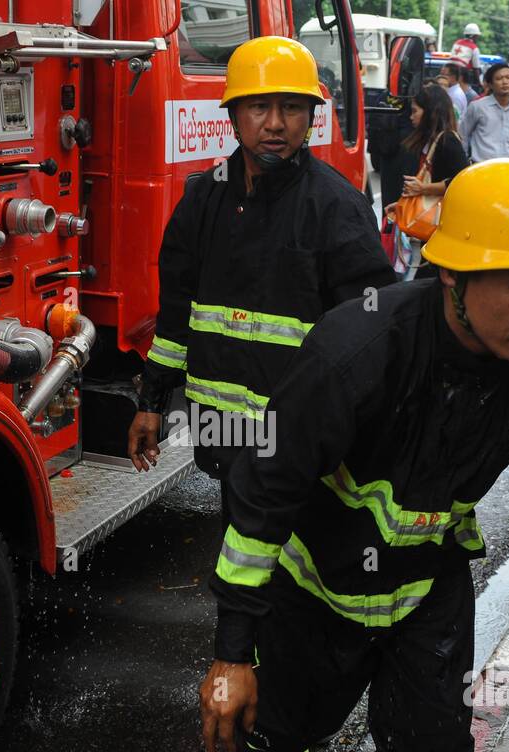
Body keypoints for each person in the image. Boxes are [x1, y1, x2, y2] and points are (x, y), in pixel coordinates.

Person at [199, 160, 509, 752]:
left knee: (425, 748)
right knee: (291, 721)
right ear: (454, 274)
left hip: (427, 586)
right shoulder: (357, 350)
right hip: (318, 583)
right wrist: (232, 652)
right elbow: (264, 496)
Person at [130, 36, 395, 504]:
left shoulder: (337, 209)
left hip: (306, 440)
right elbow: (175, 315)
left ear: (310, 118)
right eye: (258, 107)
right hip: (224, 437)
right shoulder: (202, 201)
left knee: (299, 568)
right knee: (242, 555)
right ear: (233, 117)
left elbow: (369, 337)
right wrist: (151, 404)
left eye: (291, 108)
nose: (274, 124)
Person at [385, 84, 468, 279]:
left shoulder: (448, 141)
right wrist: (402, 205)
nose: (411, 116)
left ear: (430, 112)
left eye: (415, 111)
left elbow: (460, 182)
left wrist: (423, 188)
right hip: (433, 228)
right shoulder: (431, 141)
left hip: (444, 227)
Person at [461, 62, 509, 161]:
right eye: (499, 79)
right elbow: (463, 134)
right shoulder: (477, 107)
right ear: (490, 84)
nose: (505, 82)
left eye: (508, 77)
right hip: (482, 168)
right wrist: (464, 161)